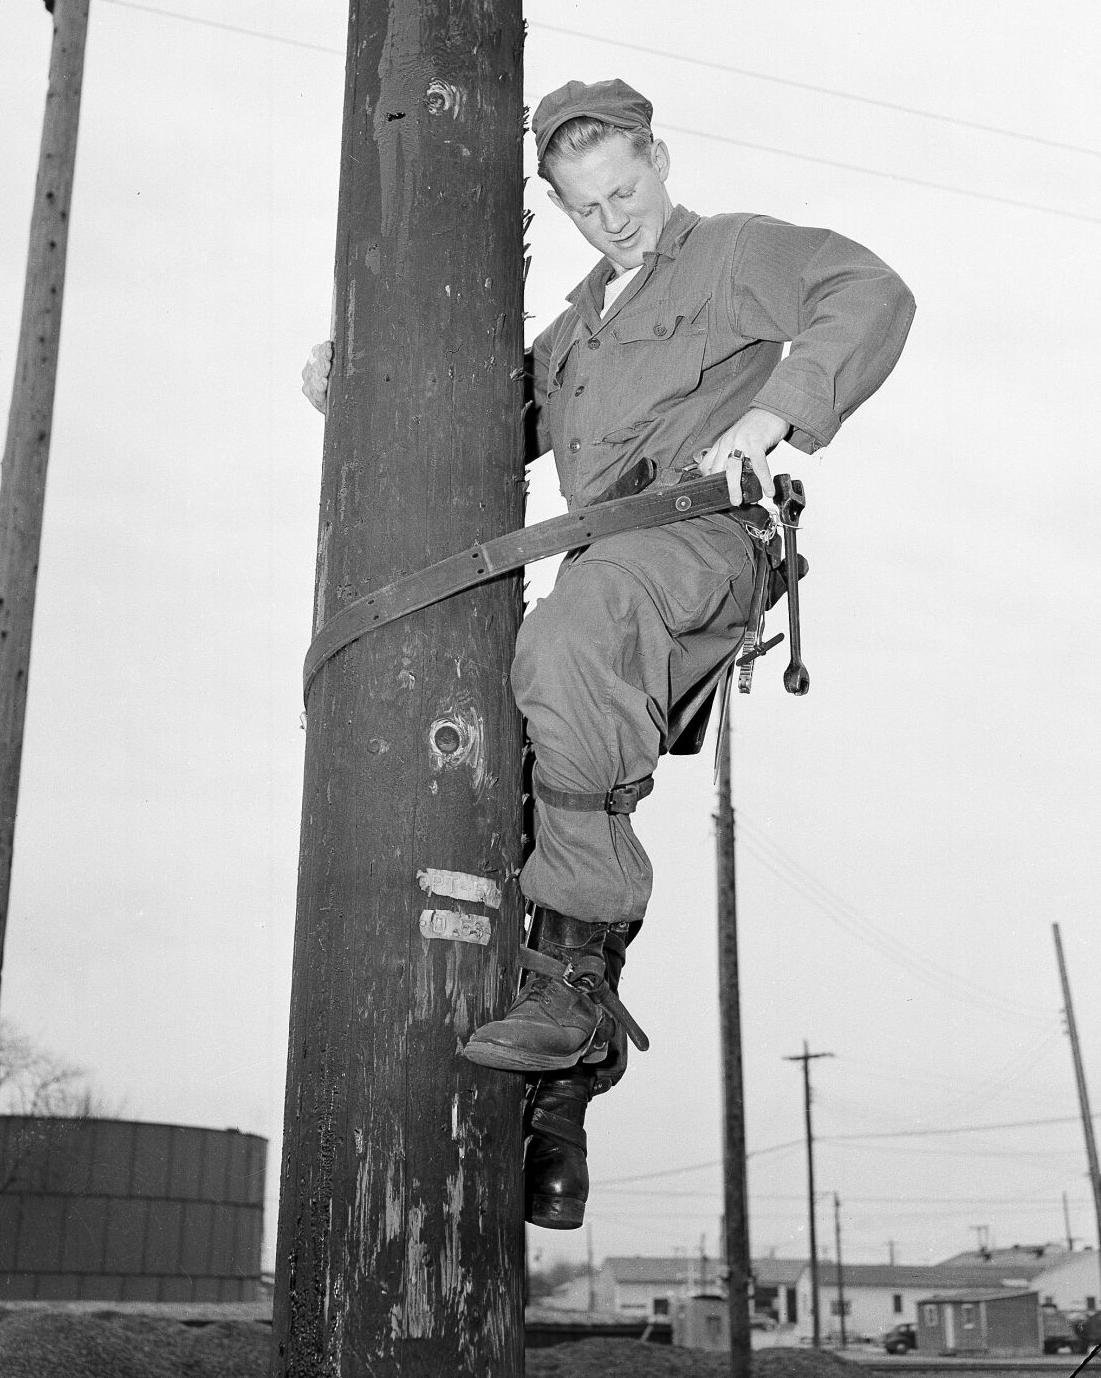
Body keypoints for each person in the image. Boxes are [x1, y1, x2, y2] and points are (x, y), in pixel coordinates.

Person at [303, 77, 914, 1227]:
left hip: (700, 543)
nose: (614, 219)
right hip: (610, 570)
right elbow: (486, 413)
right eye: (586, 206)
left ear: (660, 161)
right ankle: (561, 1100)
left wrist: (774, 414)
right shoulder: (580, 324)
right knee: (520, 751)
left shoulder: (729, 254)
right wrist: (358, 377)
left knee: (569, 634)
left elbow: (868, 289)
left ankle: (576, 991)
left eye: (624, 190)